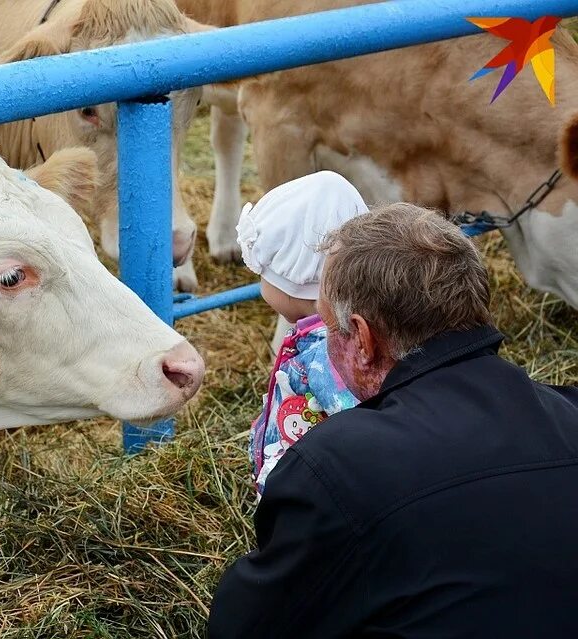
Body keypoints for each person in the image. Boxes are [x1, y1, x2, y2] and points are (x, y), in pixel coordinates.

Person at [209, 204, 578, 638]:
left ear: (363, 340)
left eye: (329, 328)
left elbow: (245, 627)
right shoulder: (569, 410)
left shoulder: (335, 468)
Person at [236, 171, 366, 497]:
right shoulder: (362, 337)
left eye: (264, 271)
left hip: (307, 502)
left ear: (293, 276)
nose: (260, 280)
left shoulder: (319, 358)